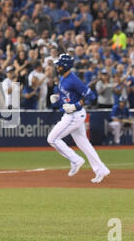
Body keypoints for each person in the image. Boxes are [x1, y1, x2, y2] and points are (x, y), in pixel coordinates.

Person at [47, 54, 110, 184]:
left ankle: (75, 160)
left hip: (74, 115)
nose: (57, 67)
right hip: (72, 114)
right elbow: (68, 97)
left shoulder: (73, 79)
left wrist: (76, 105)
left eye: (59, 65)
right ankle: (101, 169)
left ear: (65, 66)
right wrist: (57, 99)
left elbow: (91, 96)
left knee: (52, 139)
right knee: (84, 144)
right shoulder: (63, 78)